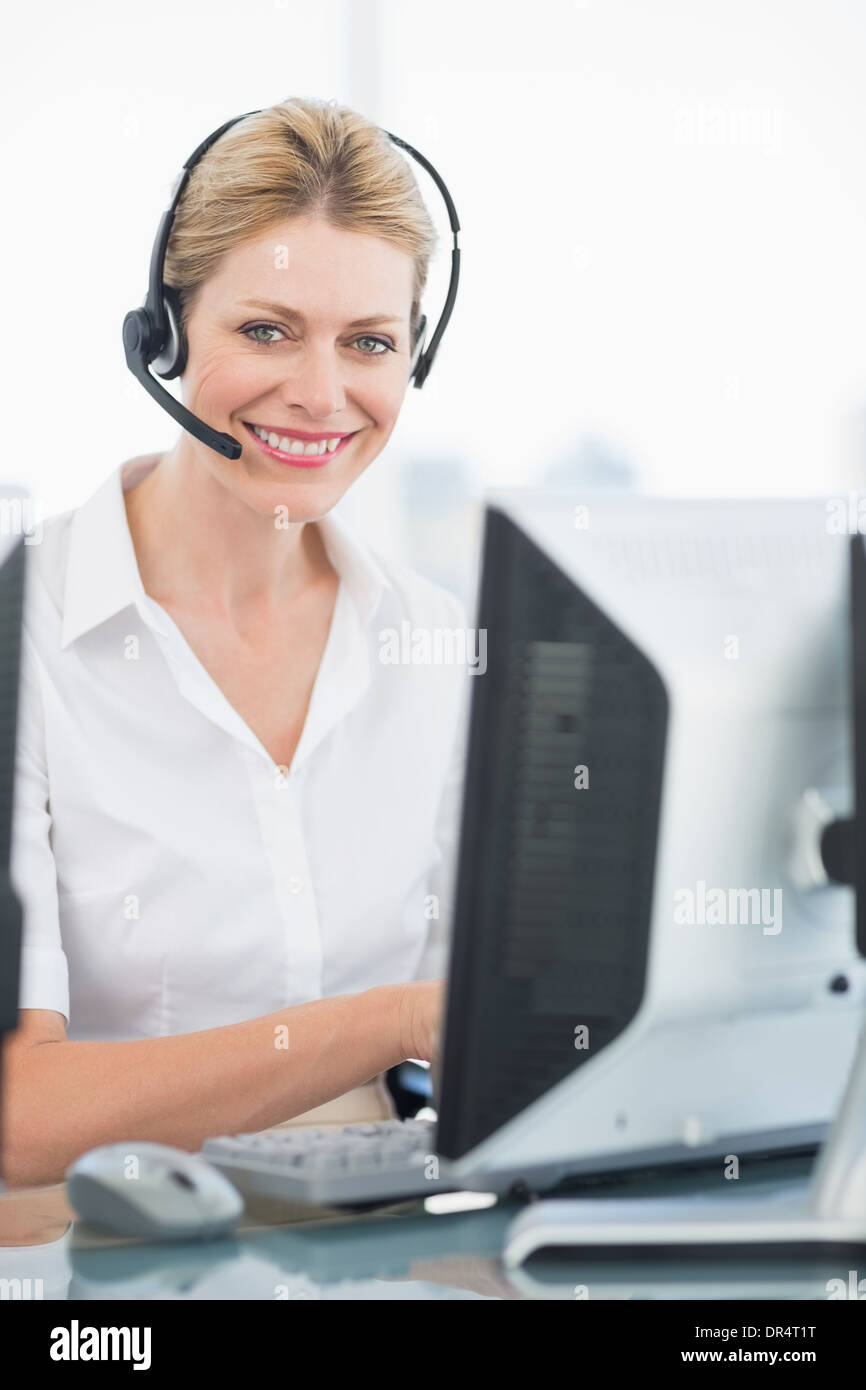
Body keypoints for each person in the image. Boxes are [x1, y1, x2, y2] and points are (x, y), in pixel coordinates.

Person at [2, 97, 470, 1188]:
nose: (319, 394)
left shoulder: (437, 644)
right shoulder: (25, 638)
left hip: (383, 1232)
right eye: (266, 330)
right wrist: (393, 1021)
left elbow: (504, 1024)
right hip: (100, 1242)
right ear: (165, 333)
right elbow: (17, 1112)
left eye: (369, 342)